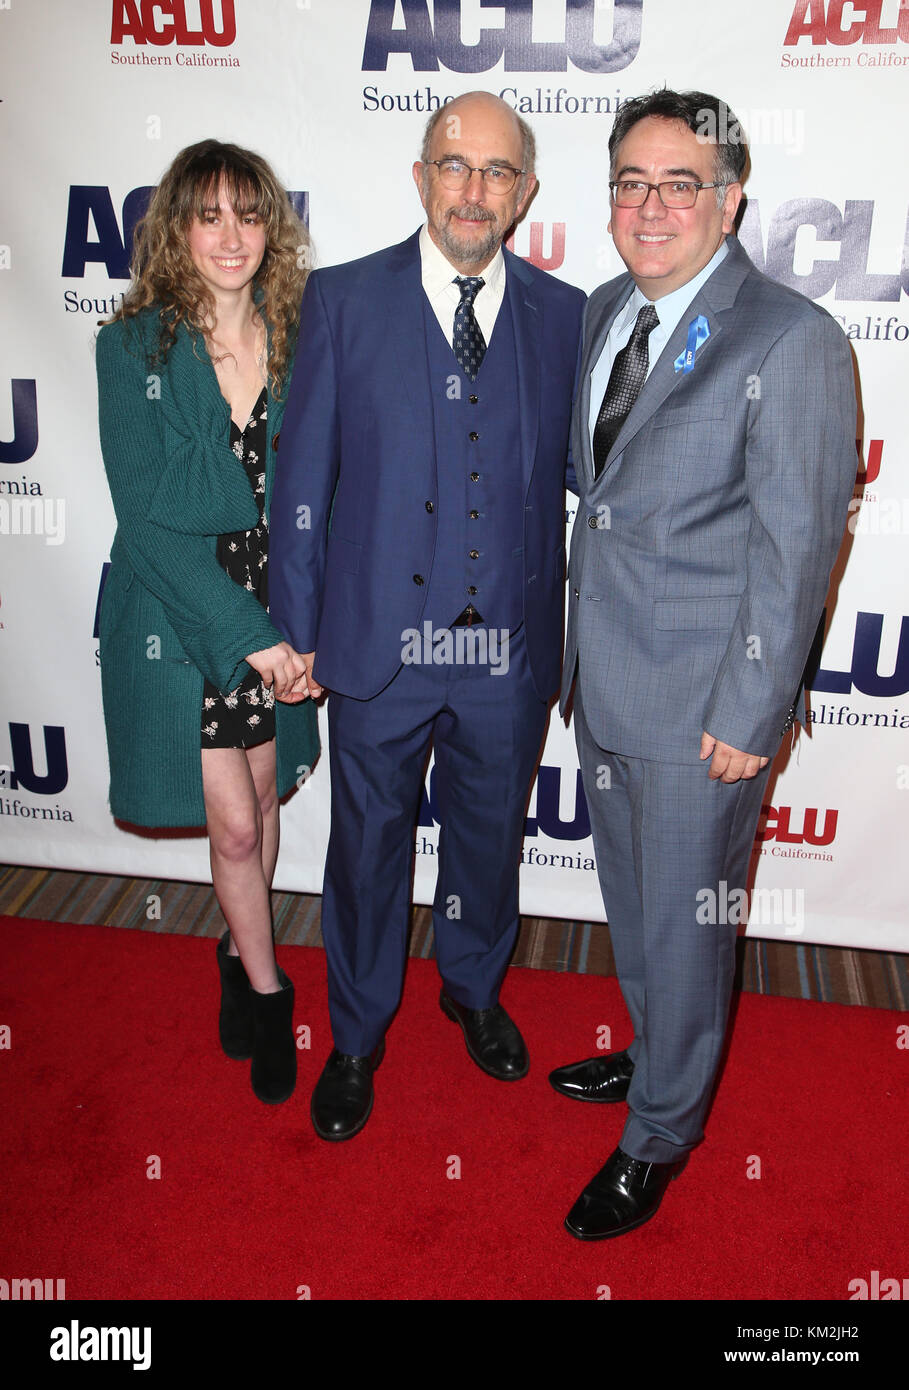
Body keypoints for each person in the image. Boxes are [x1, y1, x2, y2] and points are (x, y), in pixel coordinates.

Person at [552, 89, 857, 1238]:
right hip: (607, 681)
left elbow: (797, 546)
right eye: (631, 180)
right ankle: (652, 1055)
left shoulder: (793, 337)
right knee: (635, 906)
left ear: (731, 200)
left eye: (680, 183)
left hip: (702, 706)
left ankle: (661, 1134)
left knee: (686, 917)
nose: (650, 205)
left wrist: (753, 704)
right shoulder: (598, 312)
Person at [269, 91, 585, 1141]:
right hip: (377, 648)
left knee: (491, 843)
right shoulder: (344, 302)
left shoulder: (565, 316)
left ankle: (473, 988)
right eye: (455, 165)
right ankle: (355, 1034)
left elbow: (598, 488)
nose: (474, 190)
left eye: (498, 172)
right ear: (419, 176)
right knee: (366, 850)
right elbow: (302, 472)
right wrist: (299, 625)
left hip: (506, 652)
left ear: (525, 192)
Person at [95, 140, 319, 1106]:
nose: (231, 236)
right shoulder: (134, 344)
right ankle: (268, 992)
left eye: (249, 213)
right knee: (232, 830)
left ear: (271, 225)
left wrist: (309, 623)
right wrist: (254, 640)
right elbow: (148, 521)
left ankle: (240, 948)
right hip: (184, 616)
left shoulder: (302, 333)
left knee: (264, 807)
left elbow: (324, 491)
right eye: (209, 215)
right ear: (177, 228)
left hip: (281, 601)